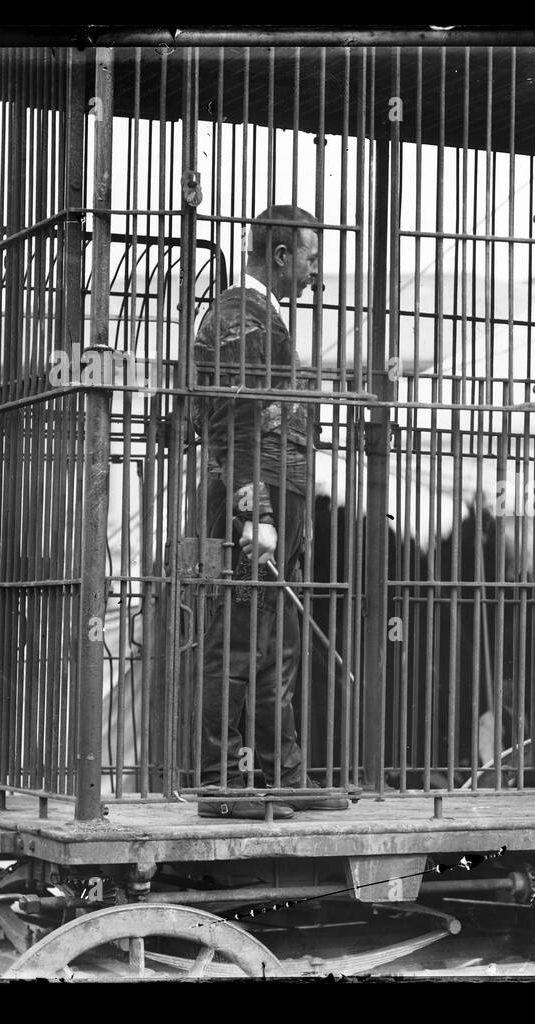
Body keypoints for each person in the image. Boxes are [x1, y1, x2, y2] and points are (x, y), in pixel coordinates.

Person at [190, 204, 348, 819]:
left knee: (273, 644)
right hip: (250, 503)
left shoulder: (260, 318)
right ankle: (220, 782)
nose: (316, 274)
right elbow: (233, 421)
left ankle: (279, 774)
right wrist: (253, 511)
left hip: (273, 499)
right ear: (282, 255)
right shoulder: (240, 318)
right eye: (311, 258)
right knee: (235, 643)